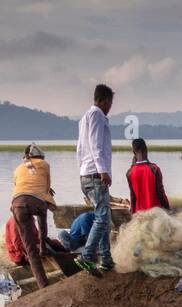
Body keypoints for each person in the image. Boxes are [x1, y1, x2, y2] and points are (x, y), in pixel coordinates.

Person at [76, 82, 115, 276]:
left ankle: (106, 259)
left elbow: (80, 149)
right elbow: (96, 145)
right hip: (95, 174)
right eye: (110, 103)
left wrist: (82, 172)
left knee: (104, 218)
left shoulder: (84, 118)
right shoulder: (97, 115)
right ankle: (87, 255)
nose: (110, 107)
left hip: (86, 173)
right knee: (102, 218)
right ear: (105, 100)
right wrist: (103, 171)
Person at [9, 143, 55, 289]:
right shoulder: (44, 164)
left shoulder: (18, 168)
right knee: (42, 214)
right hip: (36, 201)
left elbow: (19, 187)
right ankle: (43, 247)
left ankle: (43, 285)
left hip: (17, 204)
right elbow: (47, 190)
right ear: (40, 156)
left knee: (30, 249)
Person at [126, 139, 170, 214]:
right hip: (156, 214)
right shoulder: (154, 169)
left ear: (134, 152)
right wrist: (168, 209)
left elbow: (133, 197)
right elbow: (161, 193)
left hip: (139, 215)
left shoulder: (130, 172)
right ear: (146, 150)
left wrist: (133, 215)